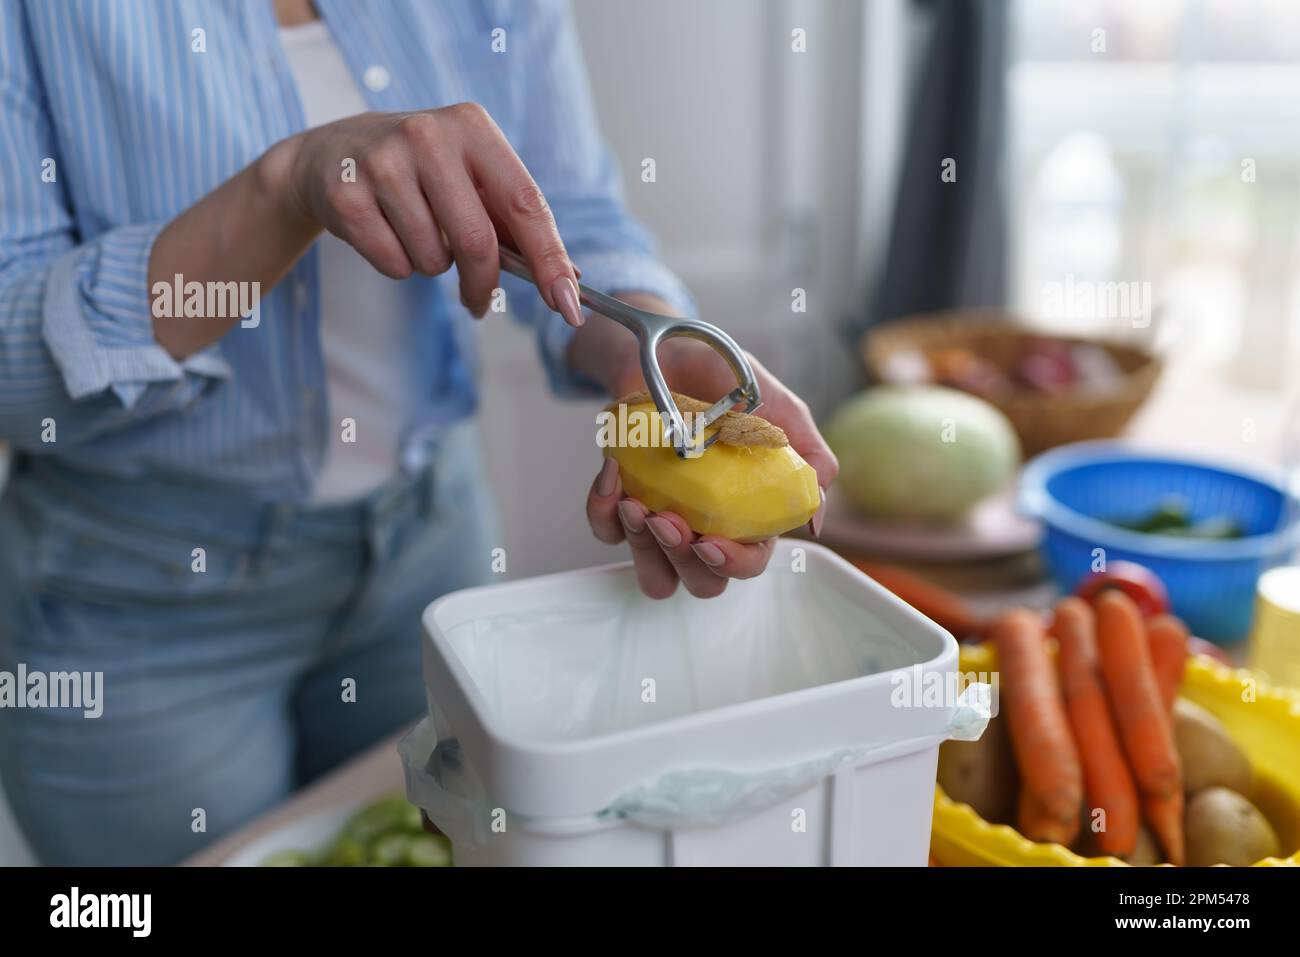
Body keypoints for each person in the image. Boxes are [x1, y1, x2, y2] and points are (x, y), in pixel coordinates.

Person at [0, 0, 836, 865]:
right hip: (132, 609)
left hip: (431, 556)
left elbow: (571, 220)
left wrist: (645, 348)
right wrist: (286, 185)